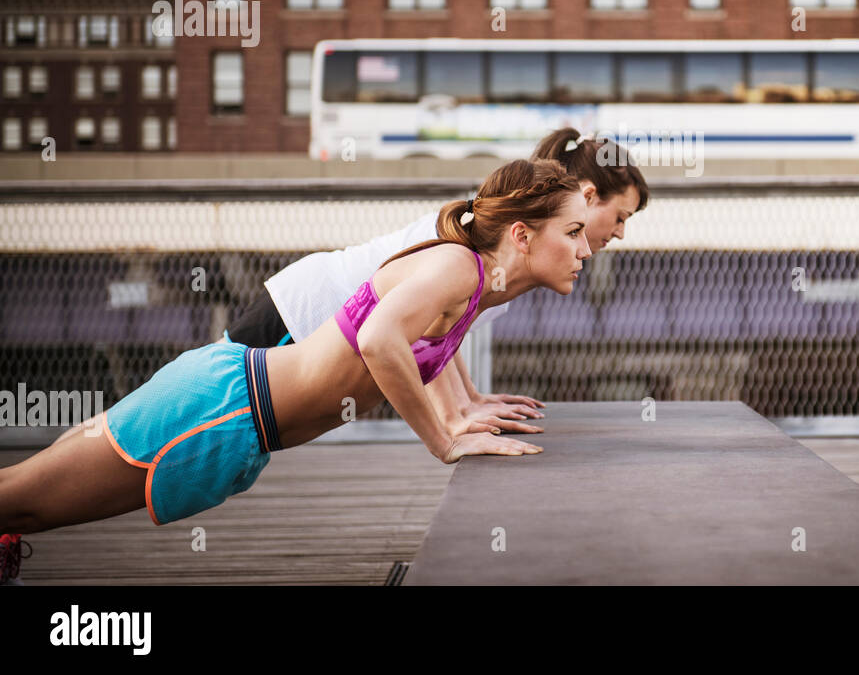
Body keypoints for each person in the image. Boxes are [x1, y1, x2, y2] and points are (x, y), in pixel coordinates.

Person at [0, 159, 588, 553]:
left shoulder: (479, 282)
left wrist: (467, 410)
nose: (587, 248)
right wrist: (445, 441)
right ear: (521, 235)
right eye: (575, 232)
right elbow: (380, 341)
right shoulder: (457, 267)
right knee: (20, 505)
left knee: (28, 510)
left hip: (241, 429)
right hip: (217, 406)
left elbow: (419, 349)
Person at [225, 127, 650, 438]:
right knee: (207, 424)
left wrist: (470, 399)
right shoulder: (479, 248)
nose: (619, 233)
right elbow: (413, 325)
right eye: (620, 218)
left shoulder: (513, 248)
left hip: (318, 329)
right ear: (590, 196)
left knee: (213, 451)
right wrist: (449, 421)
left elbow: (440, 326)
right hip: (301, 316)